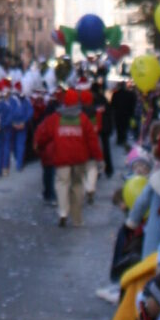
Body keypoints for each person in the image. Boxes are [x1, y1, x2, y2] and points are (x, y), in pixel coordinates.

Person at [37, 88, 103, 228]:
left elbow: (44, 134)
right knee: (77, 185)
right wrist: (98, 157)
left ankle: (63, 212)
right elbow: (92, 140)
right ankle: (77, 218)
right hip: (79, 158)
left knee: (62, 183)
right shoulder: (83, 118)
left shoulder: (56, 118)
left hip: (62, 157)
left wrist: (39, 146)